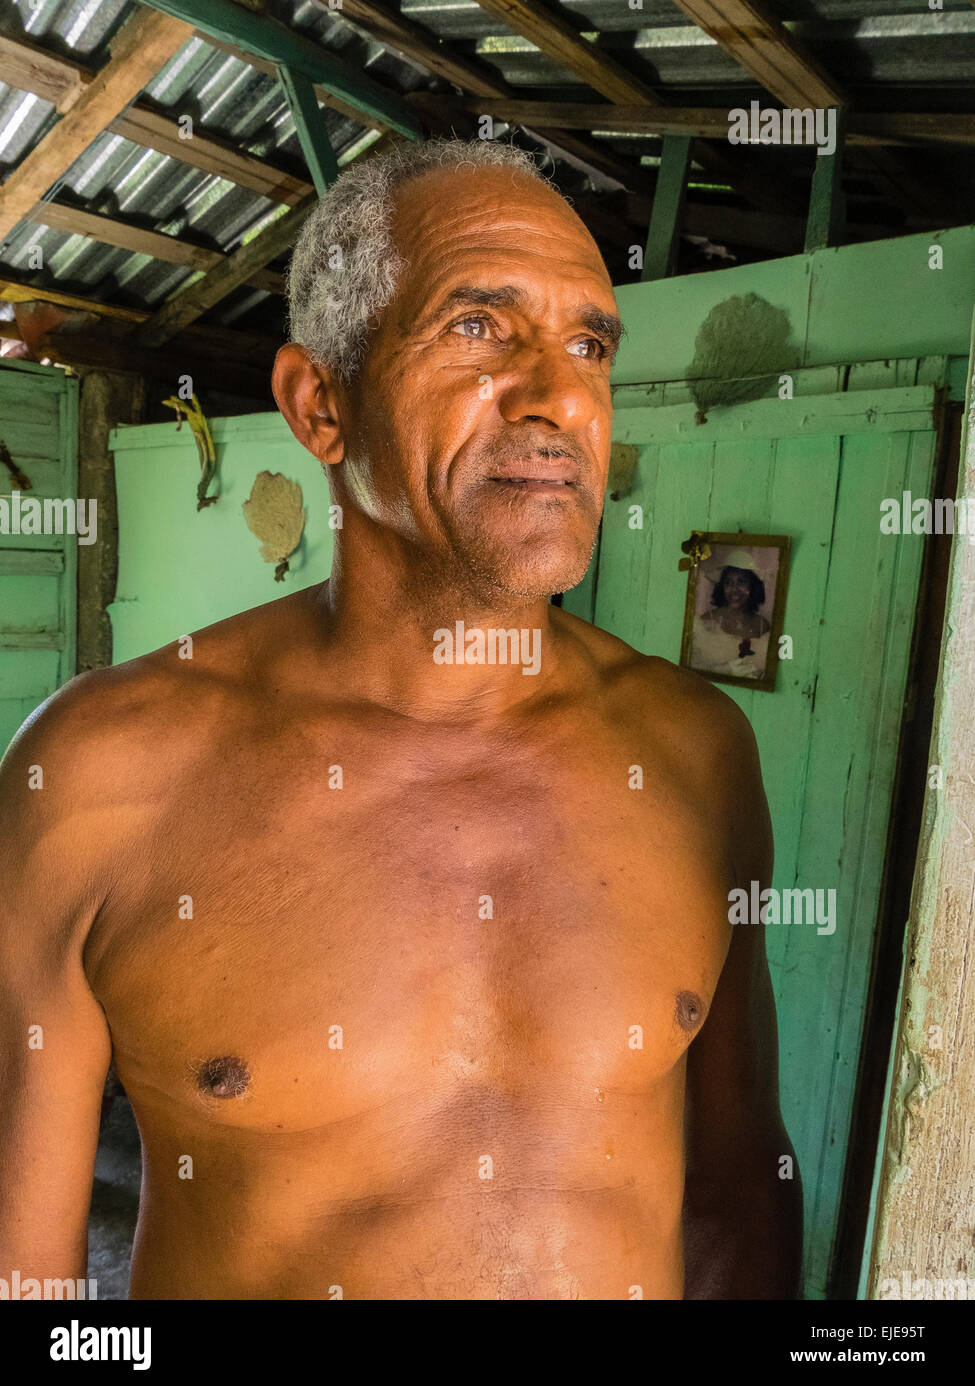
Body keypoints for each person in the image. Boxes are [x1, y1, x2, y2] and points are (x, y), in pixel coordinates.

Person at [0, 139, 801, 1300]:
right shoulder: (95, 778)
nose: (562, 396)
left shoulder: (693, 756)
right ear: (321, 405)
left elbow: (736, 1184)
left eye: (590, 344)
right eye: (479, 328)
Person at [692, 550, 772, 681]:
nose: (734, 589)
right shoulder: (707, 621)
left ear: (753, 586)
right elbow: (693, 667)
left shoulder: (762, 625)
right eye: (728, 583)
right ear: (721, 587)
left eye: (741, 582)